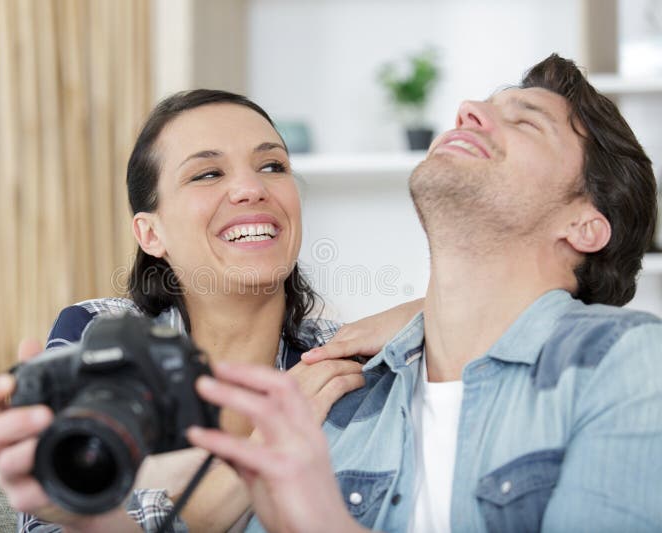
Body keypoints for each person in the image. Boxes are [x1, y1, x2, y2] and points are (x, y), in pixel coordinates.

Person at [187, 53, 662, 532]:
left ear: (584, 226)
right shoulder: (338, 402)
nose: (467, 110)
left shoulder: (625, 362)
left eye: (526, 122)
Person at [0, 89, 419, 533]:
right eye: (206, 174)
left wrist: (423, 311)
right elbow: (50, 524)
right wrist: (255, 455)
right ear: (150, 234)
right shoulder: (100, 335)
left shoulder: (343, 362)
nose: (251, 188)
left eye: (272, 165)